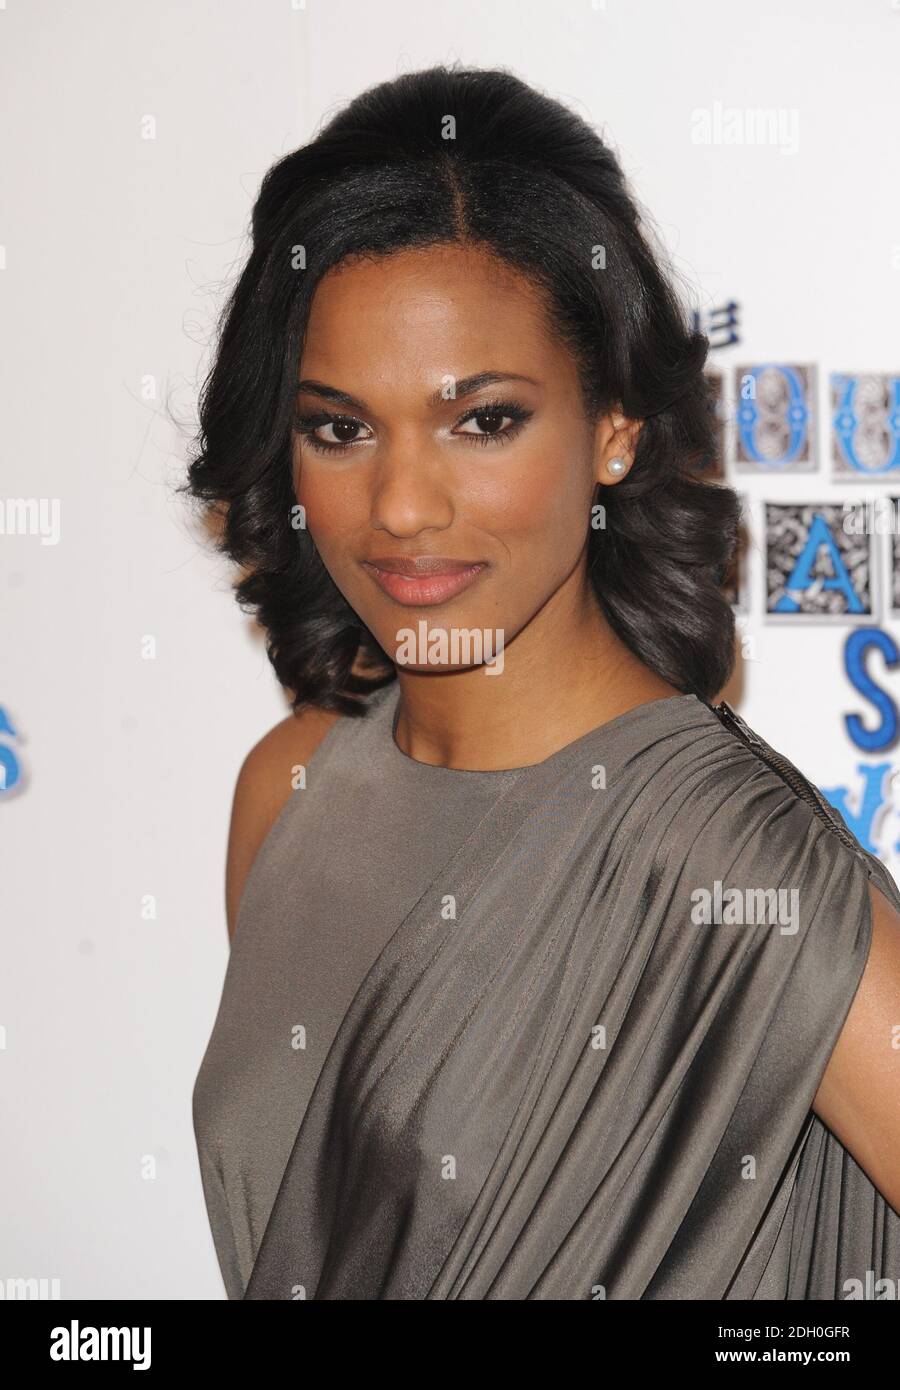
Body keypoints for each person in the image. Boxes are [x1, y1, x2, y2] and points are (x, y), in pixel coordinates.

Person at [187, 63, 900, 1300]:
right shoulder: (288, 789)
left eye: (485, 419)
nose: (402, 506)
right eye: (340, 428)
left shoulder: (725, 860)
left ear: (614, 424)